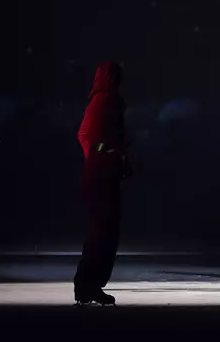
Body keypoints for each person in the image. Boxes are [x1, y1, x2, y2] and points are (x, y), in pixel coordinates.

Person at [73, 62, 131, 306]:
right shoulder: (106, 102)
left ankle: (88, 285)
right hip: (101, 176)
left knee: (103, 230)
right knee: (103, 231)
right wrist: (107, 154)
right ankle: (89, 284)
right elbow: (91, 137)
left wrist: (100, 156)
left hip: (99, 173)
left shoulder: (100, 102)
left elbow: (84, 136)